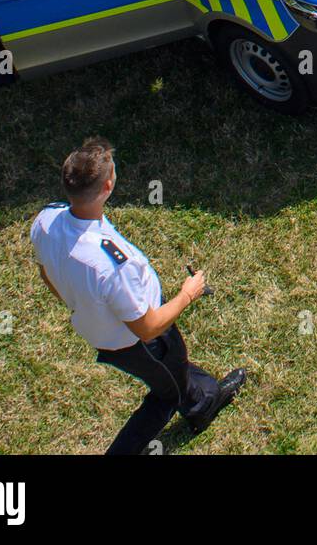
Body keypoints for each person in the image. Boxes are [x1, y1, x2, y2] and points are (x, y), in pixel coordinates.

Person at [31, 137, 246, 454]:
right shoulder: (112, 266)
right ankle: (199, 409)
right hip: (140, 343)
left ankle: (200, 396)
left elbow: (45, 273)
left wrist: (78, 302)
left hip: (105, 333)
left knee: (175, 370)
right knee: (166, 395)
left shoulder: (46, 220)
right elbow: (147, 328)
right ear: (106, 188)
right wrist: (189, 293)